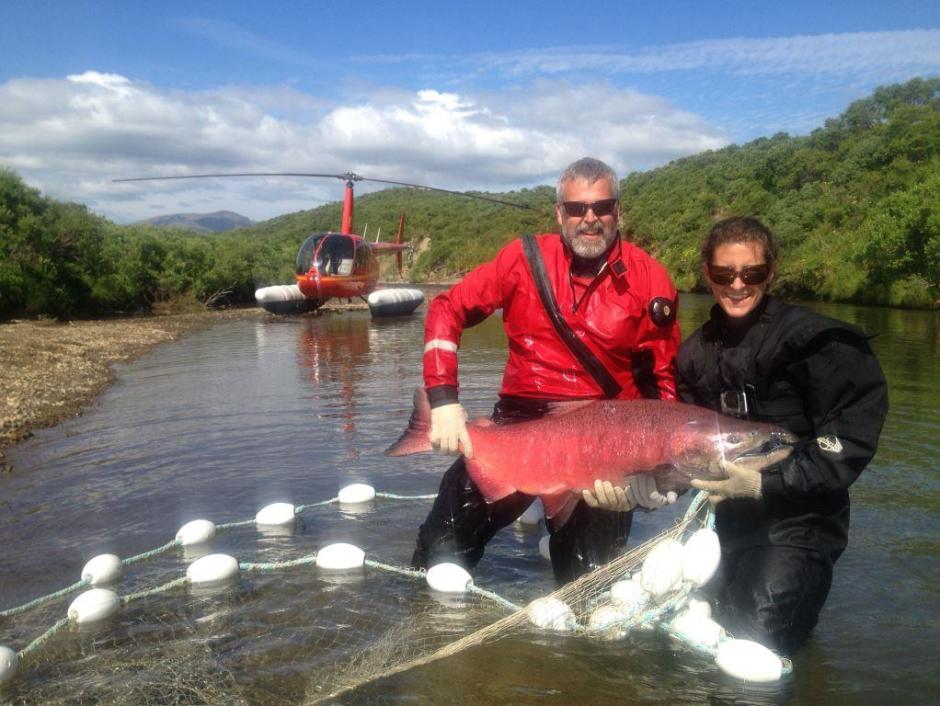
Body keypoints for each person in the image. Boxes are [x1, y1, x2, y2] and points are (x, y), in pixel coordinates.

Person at [413, 157, 682, 584]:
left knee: (589, 588)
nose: (589, 219)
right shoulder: (522, 258)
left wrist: (661, 470)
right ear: (560, 213)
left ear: (618, 212)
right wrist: (443, 400)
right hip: (519, 426)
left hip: (602, 441)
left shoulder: (651, 279)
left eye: (602, 207)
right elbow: (447, 308)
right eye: (576, 209)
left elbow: (661, 383)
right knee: (439, 551)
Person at [676, 216, 888, 656]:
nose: (737, 284)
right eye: (724, 274)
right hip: (724, 522)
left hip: (800, 525)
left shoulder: (814, 342)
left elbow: (850, 439)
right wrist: (648, 485)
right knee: (697, 638)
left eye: (751, 273)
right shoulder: (693, 354)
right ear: (707, 275)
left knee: (757, 644)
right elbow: (686, 442)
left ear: (770, 273)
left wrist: (763, 483)